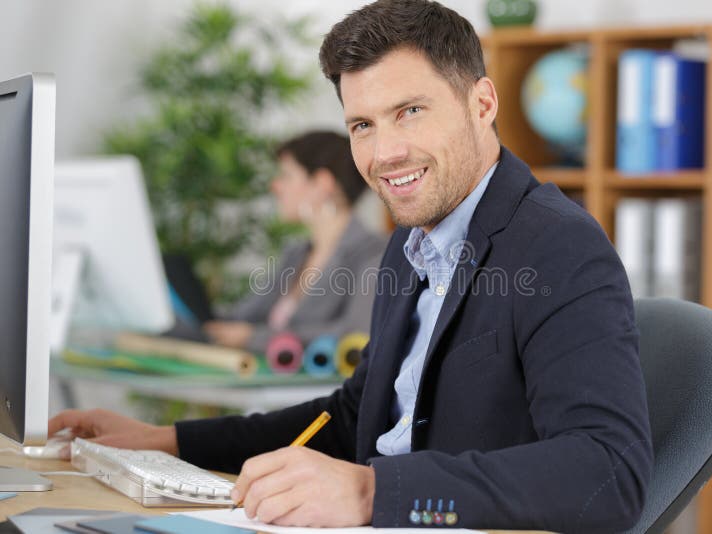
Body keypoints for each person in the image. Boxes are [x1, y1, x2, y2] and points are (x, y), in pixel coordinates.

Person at [49, 1, 653, 531]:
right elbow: (353, 415)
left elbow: (609, 473)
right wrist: (170, 441)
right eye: (362, 125)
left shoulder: (557, 246)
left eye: (411, 111)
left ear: (482, 102)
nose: (385, 153)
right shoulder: (411, 244)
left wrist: (372, 492)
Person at [202, 131, 386, 352]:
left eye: (286, 175)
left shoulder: (373, 253)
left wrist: (254, 338)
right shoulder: (296, 254)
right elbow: (242, 317)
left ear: (321, 183)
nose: (275, 186)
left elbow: (354, 334)